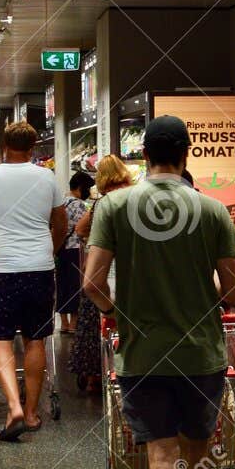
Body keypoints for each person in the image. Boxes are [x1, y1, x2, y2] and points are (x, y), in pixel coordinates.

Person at [83, 116, 235, 469]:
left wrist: (121, 316)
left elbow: (91, 283)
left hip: (143, 354)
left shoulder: (114, 205)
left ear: (144, 155)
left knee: (160, 457)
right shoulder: (212, 210)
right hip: (201, 355)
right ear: (186, 154)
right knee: (198, 453)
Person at [0, 120, 67, 441]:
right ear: (33, 148)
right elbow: (61, 223)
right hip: (40, 267)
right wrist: (50, 250)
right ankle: (33, 412)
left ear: (4, 145)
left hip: (5, 269)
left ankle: (13, 406)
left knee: (2, 339)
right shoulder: (47, 177)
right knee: (35, 340)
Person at [69, 156, 133, 389]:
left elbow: (79, 228)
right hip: (130, 272)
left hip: (102, 271)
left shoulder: (101, 203)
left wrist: (93, 240)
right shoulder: (136, 199)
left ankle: (96, 375)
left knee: (96, 320)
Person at [57, 170, 93, 336]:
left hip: (60, 249)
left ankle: (63, 323)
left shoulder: (61, 202)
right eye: (87, 188)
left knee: (62, 285)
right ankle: (74, 323)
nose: (89, 192)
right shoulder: (78, 204)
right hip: (74, 249)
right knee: (75, 286)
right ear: (79, 187)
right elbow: (80, 230)